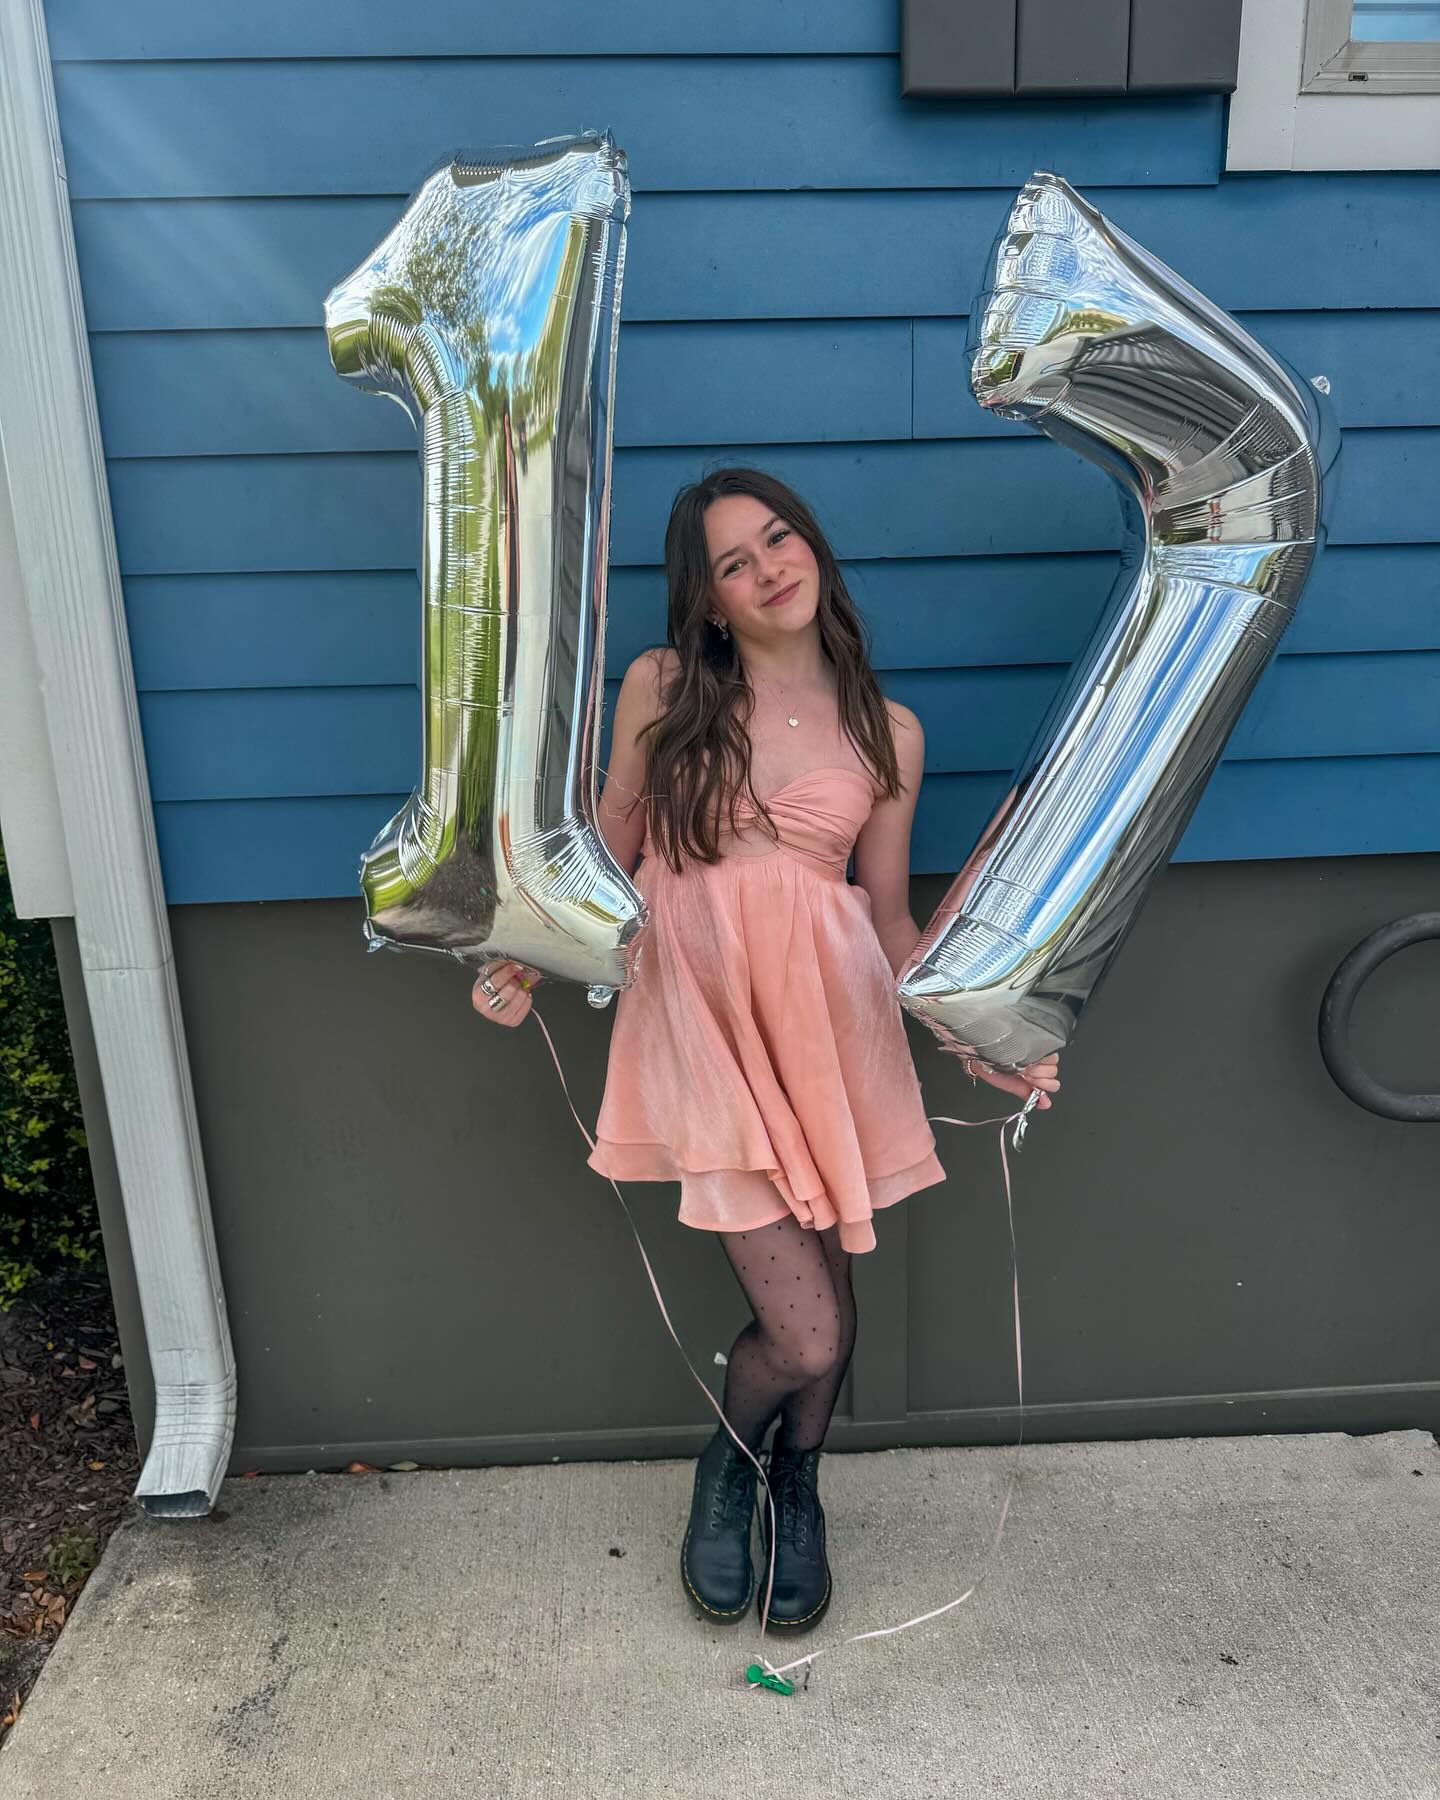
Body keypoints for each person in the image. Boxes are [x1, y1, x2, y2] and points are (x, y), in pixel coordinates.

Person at [471, 467, 1060, 1636]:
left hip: (832, 1027)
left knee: (833, 1288)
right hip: (698, 1015)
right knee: (810, 1331)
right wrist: (527, 954)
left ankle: (801, 1486)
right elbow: (611, 836)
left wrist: (989, 1041)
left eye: (778, 538)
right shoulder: (666, 686)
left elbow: (889, 919)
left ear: (816, 551)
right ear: (710, 600)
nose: (767, 567)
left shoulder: (888, 730)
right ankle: (729, 1467)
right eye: (733, 562)